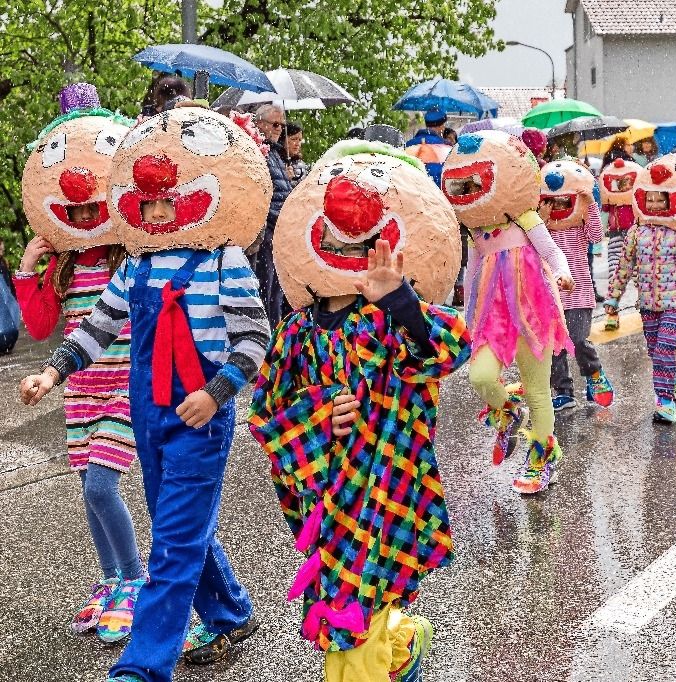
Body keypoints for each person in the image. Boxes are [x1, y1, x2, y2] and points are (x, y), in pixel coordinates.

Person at [21, 107, 272, 682]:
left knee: (174, 543)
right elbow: (97, 326)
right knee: (176, 521)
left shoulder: (224, 260)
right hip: (147, 413)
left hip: (199, 418)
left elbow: (255, 338)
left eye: (168, 203)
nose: (158, 214)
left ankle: (144, 664)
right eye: (149, 204)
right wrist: (53, 373)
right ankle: (230, 612)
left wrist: (217, 393)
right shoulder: (135, 266)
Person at [249, 140, 470, 682]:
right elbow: (266, 412)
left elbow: (446, 350)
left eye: (369, 243)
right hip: (327, 495)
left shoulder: (392, 319)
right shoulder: (297, 331)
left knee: (347, 613)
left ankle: (380, 653)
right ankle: (401, 643)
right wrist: (318, 414)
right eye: (332, 238)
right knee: (353, 598)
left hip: (387, 485)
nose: (350, 248)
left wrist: (399, 299)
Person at [15, 89, 143, 640]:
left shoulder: (129, 255)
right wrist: (29, 268)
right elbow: (42, 324)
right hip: (79, 388)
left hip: (124, 387)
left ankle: (134, 581)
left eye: (95, 207)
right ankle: (110, 578)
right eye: (79, 212)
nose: (88, 215)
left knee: (100, 487)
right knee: (87, 488)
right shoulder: (64, 263)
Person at [441, 131, 573, 494]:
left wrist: (563, 273)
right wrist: (468, 316)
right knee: (481, 377)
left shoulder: (524, 218)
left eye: (475, 184)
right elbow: (472, 272)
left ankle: (543, 457)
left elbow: (552, 252)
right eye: (465, 187)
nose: (471, 192)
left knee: (538, 390)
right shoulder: (475, 230)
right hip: (494, 316)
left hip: (533, 309)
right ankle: (509, 410)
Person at [605, 154, 676, 423]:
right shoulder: (635, 232)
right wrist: (613, 298)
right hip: (647, 305)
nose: (653, 205)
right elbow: (623, 266)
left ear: (669, 202)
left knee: (665, 350)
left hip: (674, 305)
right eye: (649, 200)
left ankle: (664, 402)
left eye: (659, 200)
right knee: (655, 352)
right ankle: (672, 380)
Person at [540, 160, 615, 411]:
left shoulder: (579, 228)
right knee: (554, 346)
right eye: (553, 204)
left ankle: (594, 374)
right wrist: (542, 220)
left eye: (564, 203)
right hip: (550, 295)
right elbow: (531, 246)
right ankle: (563, 390)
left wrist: (589, 203)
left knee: (579, 339)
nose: (559, 209)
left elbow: (596, 236)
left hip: (579, 294)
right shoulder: (543, 232)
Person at [252, 103, 293, 327]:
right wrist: (277, 219)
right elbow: (264, 195)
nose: (279, 129)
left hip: (279, 232)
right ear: (260, 123)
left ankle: (275, 330)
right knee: (266, 289)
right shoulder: (259, 151)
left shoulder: (274, 152)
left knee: (277, 290)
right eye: (275, 124)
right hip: (268, 232)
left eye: (282, 125)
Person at [598, 157, 643, 330]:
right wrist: (598, 240)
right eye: (620, 183)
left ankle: (644, 306)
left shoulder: (637, 200)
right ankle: (612, 313)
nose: (624, 186)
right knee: (614, 274)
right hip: (616, 235)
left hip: (637, 235)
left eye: (627, 183)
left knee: (640, 274)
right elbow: (604, 214)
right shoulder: (611, 200)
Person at [405, 109, 449, 186]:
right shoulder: (445, 147)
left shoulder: (408, 145)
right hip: (436, 190)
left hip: (411, 188)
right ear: (441, 126)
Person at [284, 121, 308, 187]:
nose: (297, 144)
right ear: (283, 140)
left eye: (300, 140)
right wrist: (285, 179)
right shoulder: (276, 161)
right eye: (294, 139)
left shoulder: (302, 165)